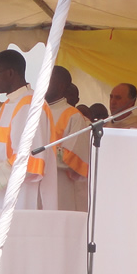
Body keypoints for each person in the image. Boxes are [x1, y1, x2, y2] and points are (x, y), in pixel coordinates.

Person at [0, 49, 57, 210]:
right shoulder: (9, 104)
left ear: (10, 73)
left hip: (23, 195)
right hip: (1, 192)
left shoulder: (30, 104)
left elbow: (29, 159)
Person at [46, 66, 90, 211]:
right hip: (36, 184)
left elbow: (74, 158)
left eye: (48, 79)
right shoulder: (34, 111)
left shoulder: (73, 116)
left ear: (61, 86)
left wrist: (40, 153)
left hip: (61, 188)